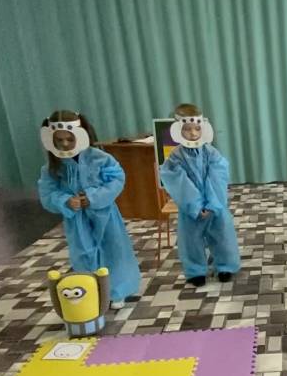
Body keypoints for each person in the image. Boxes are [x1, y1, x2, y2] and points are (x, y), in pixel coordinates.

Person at [37, 110, 141, 308]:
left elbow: (116, 179)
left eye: (70, 139)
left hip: (105, 215)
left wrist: (93, 197)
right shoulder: (52, 167)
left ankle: (117, 291)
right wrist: (65, 201)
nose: (65, 144)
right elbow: (47, 193)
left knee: (114, 250)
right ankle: (92, 291)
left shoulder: (100, 158)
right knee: (84, 252)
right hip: (77, 219)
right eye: (59, 140)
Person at [158, 104, 241, 287]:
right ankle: (195, 271)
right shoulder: (175, 157)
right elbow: (179, 183)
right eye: (187, 129)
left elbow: (218, 176)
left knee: (222, 235)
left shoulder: (211, 153)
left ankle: (225, 266)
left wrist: (212, 204)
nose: (193, 133)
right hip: (191, 209)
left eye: (197, 128)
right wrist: (195, 206)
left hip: (214, 205)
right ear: (179, 130)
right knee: (191, 240)